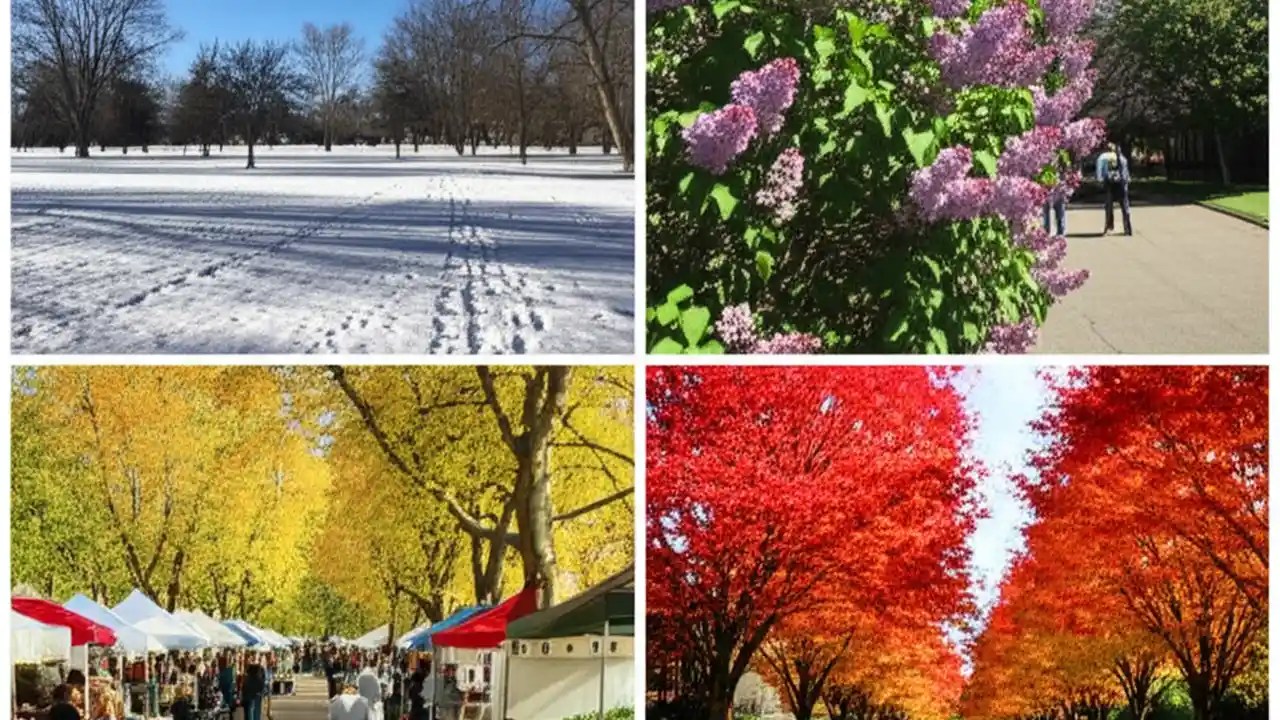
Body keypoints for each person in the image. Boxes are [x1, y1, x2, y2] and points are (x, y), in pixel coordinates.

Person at [1096, 142, 1132, 236]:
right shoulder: (1123, 159)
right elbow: (1126, 173)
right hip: (1122, 185)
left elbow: (1100, 172)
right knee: (1125, 207)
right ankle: (1128, 229)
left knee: (1109, 207)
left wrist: (1101, 180)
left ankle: (1109, 227)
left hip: (1111, 185)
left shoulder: (1104, 158)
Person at [241, 654, 267, 720]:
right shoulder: (259, 680)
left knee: (248, 714)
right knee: (256, 713)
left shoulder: (247, 679)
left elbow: (243, 689)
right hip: (256, 699)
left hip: (248, 700)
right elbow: (262, 689)